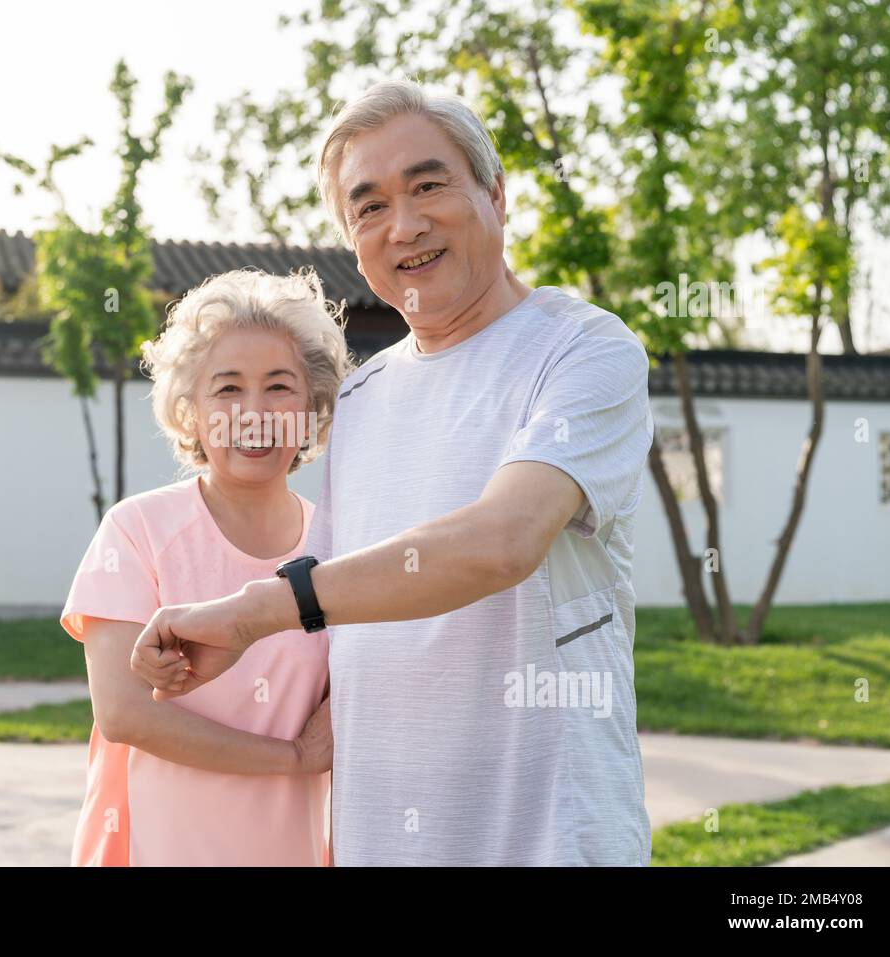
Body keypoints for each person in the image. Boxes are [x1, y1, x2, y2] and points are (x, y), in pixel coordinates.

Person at [132, 79, 655, 866]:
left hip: (546, 834)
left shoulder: (582, 350)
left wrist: (248, 611)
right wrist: (180, 648)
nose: (403, 225)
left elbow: (501, 543)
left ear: (496, 194)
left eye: (428, 184)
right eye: (368, 206)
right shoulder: (364, 396)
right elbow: (343, 605)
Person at [61, 267, 355, 865]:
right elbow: (124, 714)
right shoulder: (135, 530)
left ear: (312, 406)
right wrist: (292, 760)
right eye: (227, 388)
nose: (255, 412)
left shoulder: (342, 545)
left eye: (280, 387)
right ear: (190, 408)